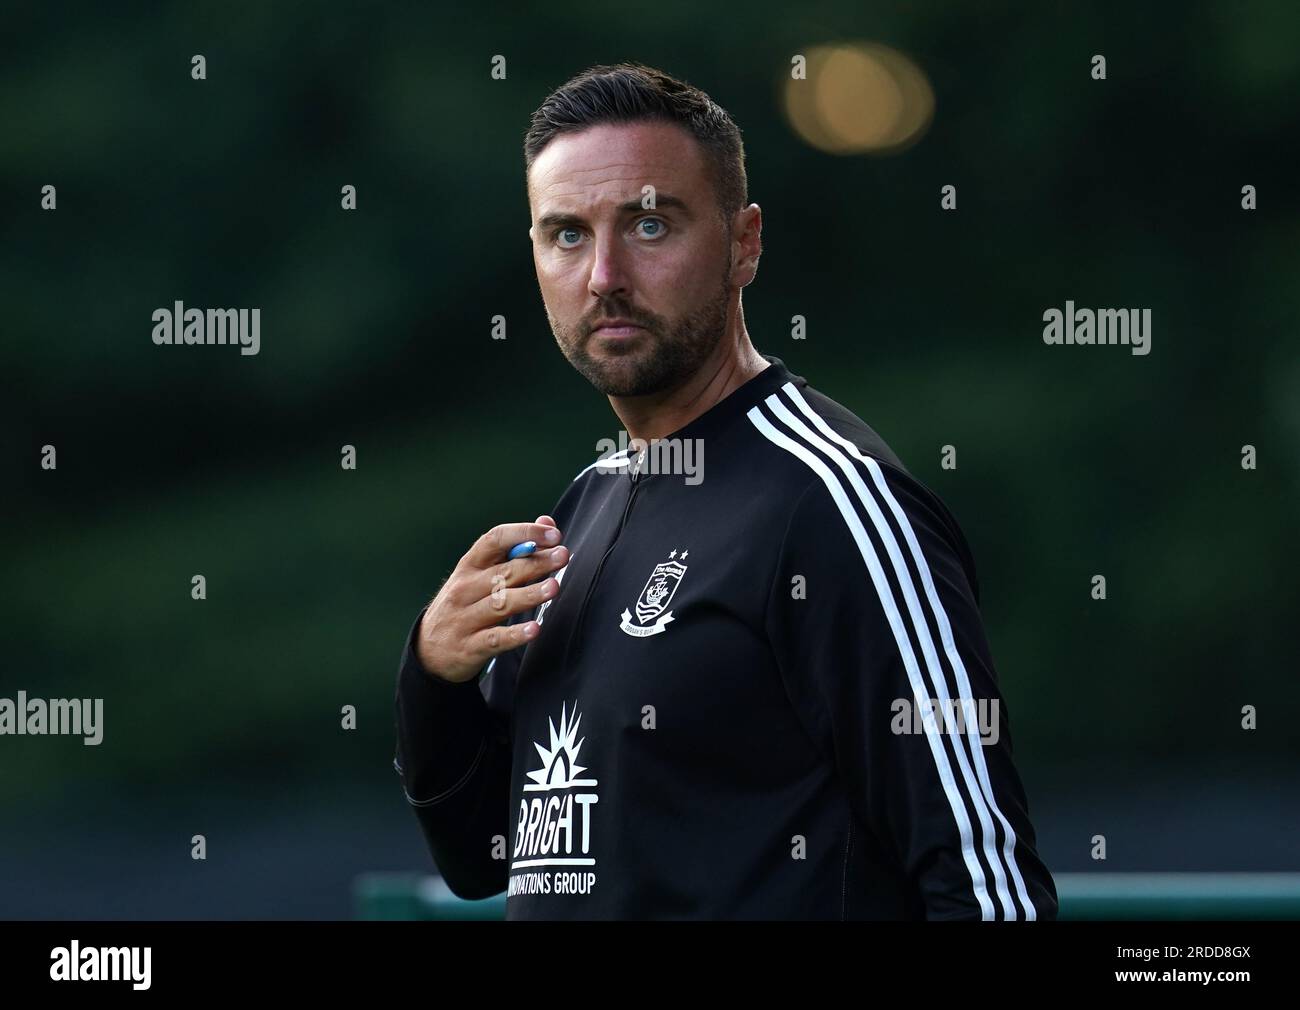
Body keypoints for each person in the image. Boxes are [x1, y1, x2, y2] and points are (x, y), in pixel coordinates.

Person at [393, 62, 1057, 920]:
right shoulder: (575, 517)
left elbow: (989, 891)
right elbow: (488, 861)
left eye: (649, 225)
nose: (603, 275)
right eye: (566, 235)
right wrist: (434, 677)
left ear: (743, 243)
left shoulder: (832, 504)